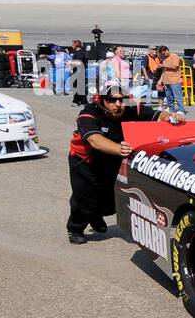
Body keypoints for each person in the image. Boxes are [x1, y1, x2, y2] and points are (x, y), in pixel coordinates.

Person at [67, 80, 184, 244]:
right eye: (112, 100)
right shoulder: (88, 114)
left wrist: (170, 116)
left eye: (121, 99)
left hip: (113, 158)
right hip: (85, 160)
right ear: (101, 101)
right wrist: (119, 149)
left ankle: (96, 214)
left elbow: (156, 115)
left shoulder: (132, 107)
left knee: (111, 197)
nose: (118, 104)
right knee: (85, 197)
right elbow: (95, 140)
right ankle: (75, 229)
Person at [156, 46, 184, 114]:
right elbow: (164, 71)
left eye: (164, 53)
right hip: (166, 81)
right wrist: (160, 80)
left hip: (175, 80)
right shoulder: (164, 58)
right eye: (162, 54)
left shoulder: (174, 56)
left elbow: (174, 66)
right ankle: (171, 109)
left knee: (178, 96)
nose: (163, 55)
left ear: (167, 50)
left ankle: (181, 110)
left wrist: (163, 65)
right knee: (169, 97)